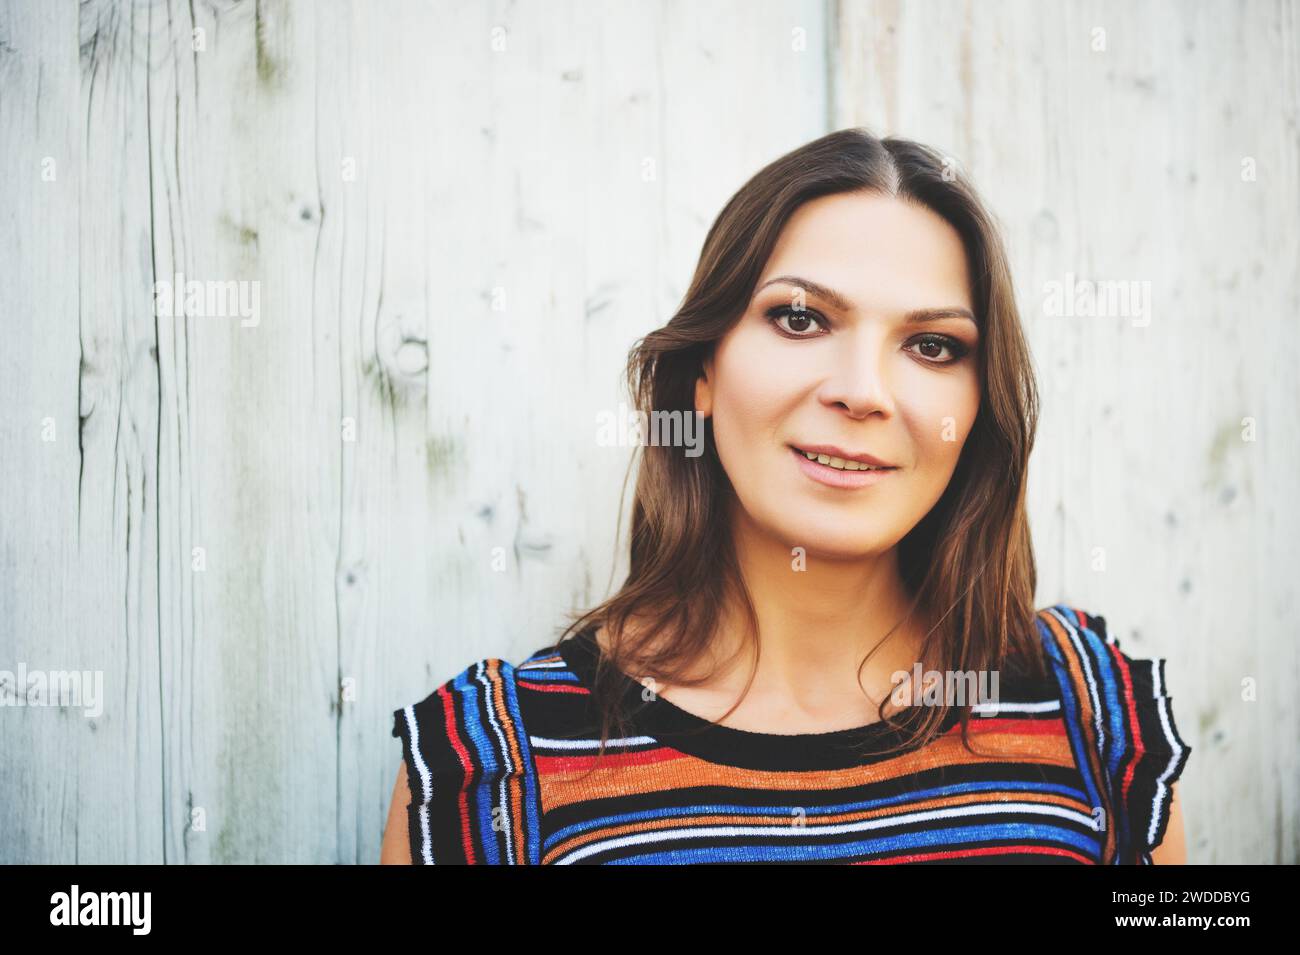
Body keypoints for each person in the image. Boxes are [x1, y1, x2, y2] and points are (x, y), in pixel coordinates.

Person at [381, 128, 1191, 865]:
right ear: (701, 373)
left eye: (931, 344)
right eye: (801, 320)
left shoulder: (1090, 718)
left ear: (978, 409)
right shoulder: (494, 767)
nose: (863, 392)